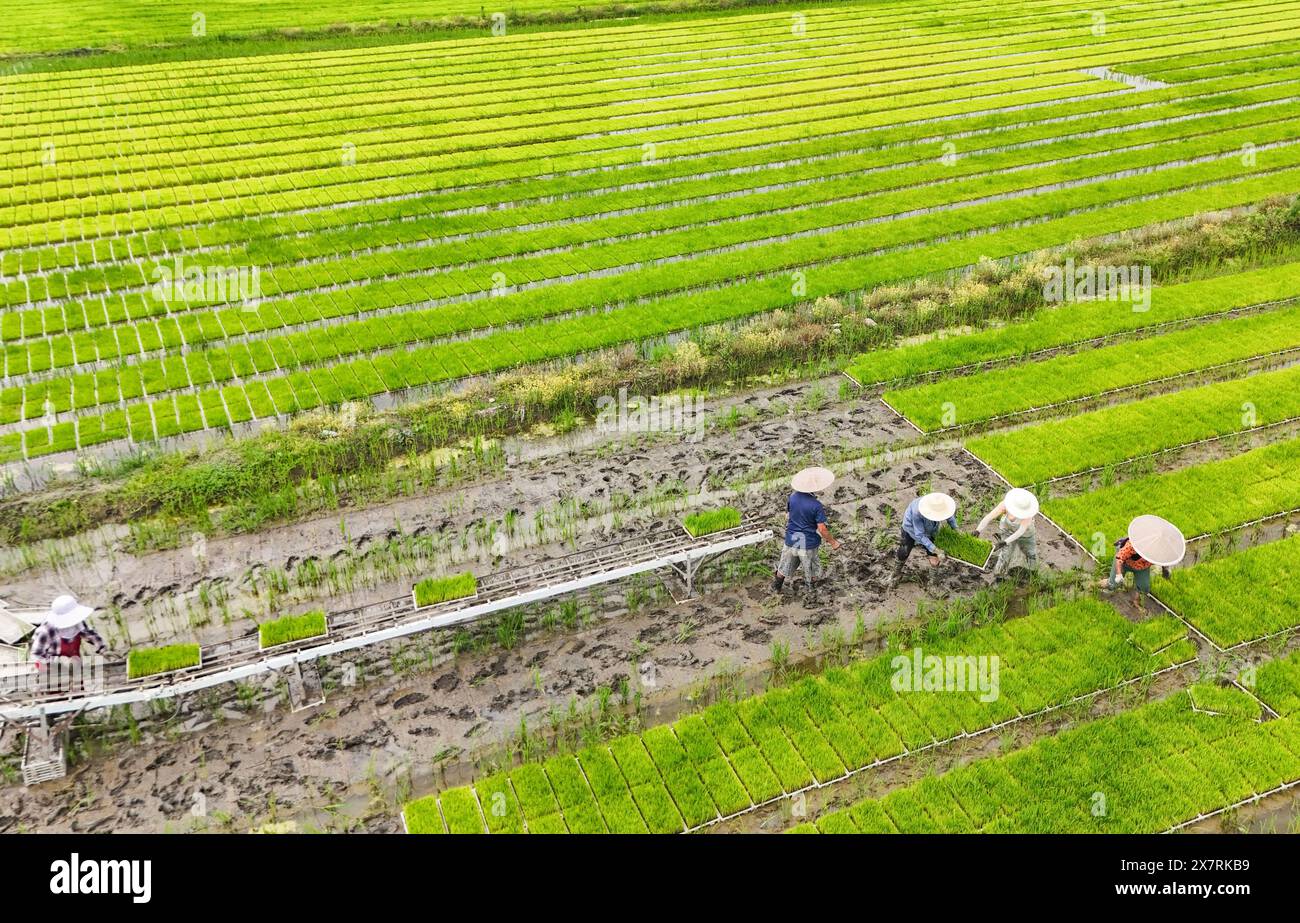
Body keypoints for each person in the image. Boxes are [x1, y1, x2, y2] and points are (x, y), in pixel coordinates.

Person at [772, 466, 841, 595]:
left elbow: (788, 515)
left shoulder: (792, 497)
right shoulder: (816, 505)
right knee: (811, 569)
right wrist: (833, 542)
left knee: (784, 566)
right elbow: (822, 529)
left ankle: (776, 587)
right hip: (808, 543)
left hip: (792, 540)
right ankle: (810, 591)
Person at [1099, 514, 1186, 608]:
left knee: (1144, 587)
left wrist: (1165, 569)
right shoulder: (1134, 545)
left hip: (1142, 567)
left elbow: (1163, 559)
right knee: (1112, 585)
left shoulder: (1162, 549)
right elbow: (1119, 558)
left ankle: (1135, 601)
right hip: (1125, 563)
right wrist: (1119, 574)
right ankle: (1094, 584)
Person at [889, 492, 957, 586]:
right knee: (904, 552)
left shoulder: (941, 505)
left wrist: (956, 529)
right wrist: (936, 549)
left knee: (934, 557)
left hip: (931, 529)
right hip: (911, 529)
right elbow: (920, 535)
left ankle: (932, 583)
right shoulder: (918, 512)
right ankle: (895, 574)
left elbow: (949, 517)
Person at [30, 594, 108, 670]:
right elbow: (36, 655)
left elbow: (90, 635)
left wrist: (103, 649)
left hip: (73, 661)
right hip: (49, 667)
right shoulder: (46, 631)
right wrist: (59, 661)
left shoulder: (77, 623)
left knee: (77, 672)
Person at [976, 488, 1040, 579]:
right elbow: (989, 517)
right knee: (1005, 553)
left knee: (1030, 552)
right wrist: (978, 530)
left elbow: (1020, 531)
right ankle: (999, 574)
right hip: (1007, 529)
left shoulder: (1027, 514)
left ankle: (1033, 571)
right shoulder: (1005, 505)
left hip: (1026, 533)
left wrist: (1005, 542)